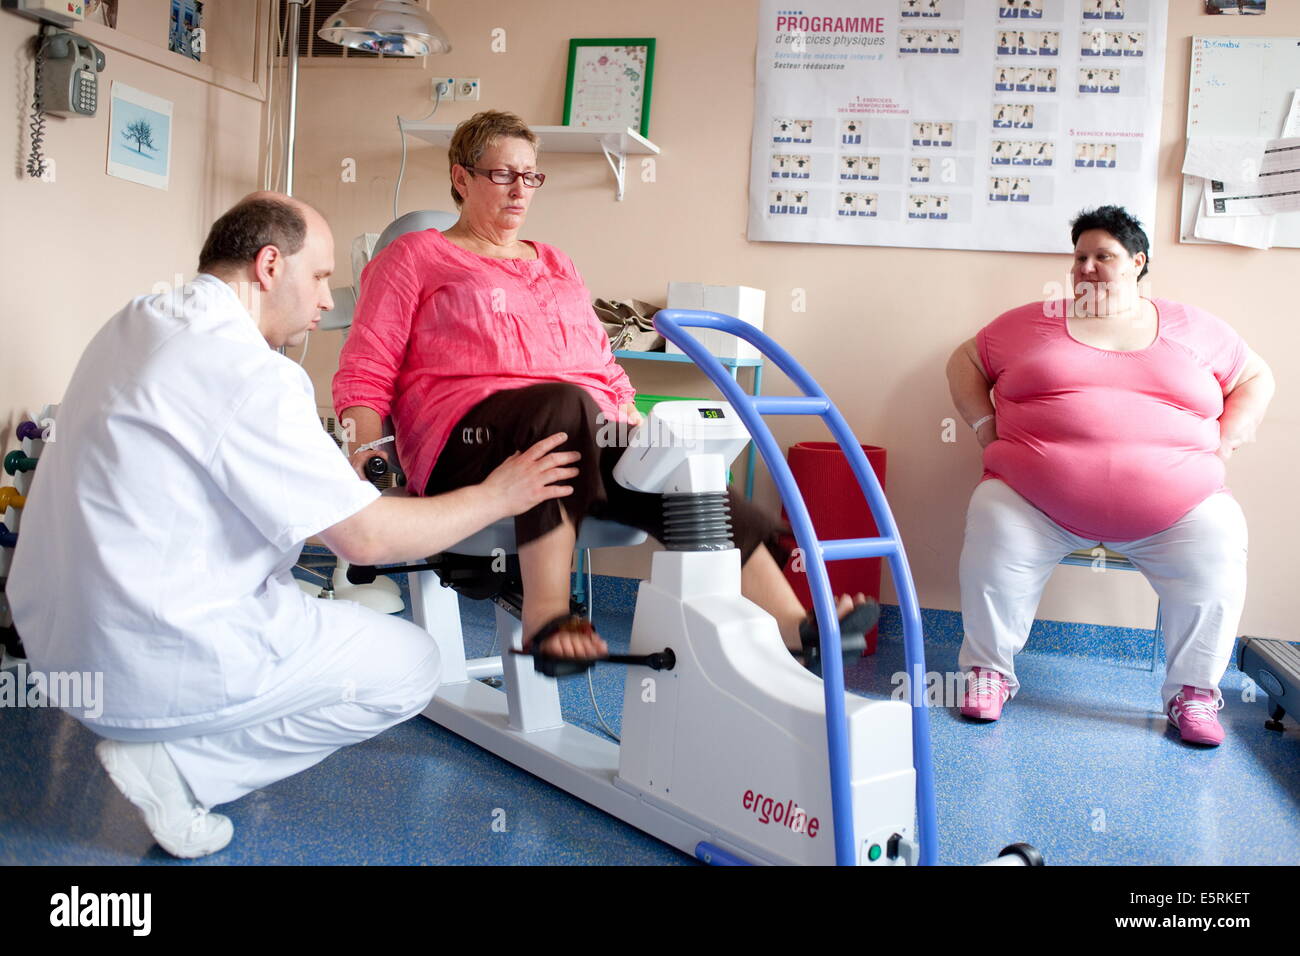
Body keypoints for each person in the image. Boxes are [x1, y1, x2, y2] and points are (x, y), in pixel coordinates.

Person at [7, 193, 582, 858]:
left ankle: (175, 734)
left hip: (57, 642)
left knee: (298, 601)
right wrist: (497, 494)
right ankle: (178, 768)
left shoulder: (139, 318)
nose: (324, 302)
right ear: (270, 265)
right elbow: (365, 539)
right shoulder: (252, 372)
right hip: (149, 654)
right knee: (412, 666)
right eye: (318, 278)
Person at [333, 110, 874, 672]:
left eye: (531, 176)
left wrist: (638, 435)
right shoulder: (416, 256)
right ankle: (547, 617)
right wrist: (366, 460)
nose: (521, 190)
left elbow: (604, 367)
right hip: (467, 444)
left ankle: (797, 626)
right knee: (561, 403)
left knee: (679, 453)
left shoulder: (556, 262)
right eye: (502, 175)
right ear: (461, 177)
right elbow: (365, 368)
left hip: (576, 428)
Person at [945, 205, 1274, 746]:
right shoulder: (1032, 322)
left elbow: (1257, 375)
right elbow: (965, 360)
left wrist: (1227, 440)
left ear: (1138, 262)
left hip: (1178, 507)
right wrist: (985, 426)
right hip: (1034, 502)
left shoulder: (1192, 327)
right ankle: (987, 673)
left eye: (1104, 255)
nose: (1087, 267)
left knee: (1220, 537)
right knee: (992, 517)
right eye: (1079, 257)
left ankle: (1192, 695)